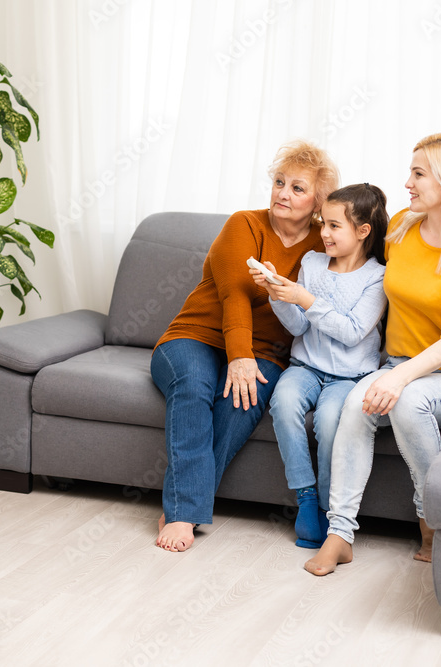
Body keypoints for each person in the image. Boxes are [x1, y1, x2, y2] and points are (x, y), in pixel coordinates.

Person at [305, 132, 441, 576]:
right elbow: (349, 259)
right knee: (356, 406)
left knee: (408, 399)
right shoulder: (400, 229)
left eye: (418, 173)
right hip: (400, 368)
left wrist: (396, 379)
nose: (407, 182)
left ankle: (432, 520)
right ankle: (340, 535)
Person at [152, 140, 340, 552]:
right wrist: (239, 356)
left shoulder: (323, 246)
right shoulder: (243, 224)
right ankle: (184, 512)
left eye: (297, 188)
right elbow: (235, 294)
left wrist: (249, 360)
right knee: (194, 387)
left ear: (318, 203)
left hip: (267, 353)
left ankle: (184, 501)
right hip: (195, 336)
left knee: (240, 402)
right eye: (278, 182)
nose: (282, 194)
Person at [252, 184, 388, 549]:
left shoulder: (377, 277)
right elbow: (298, 325)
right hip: (305, 366)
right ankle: (306, 499)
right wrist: (277, 294)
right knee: (283, 403)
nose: (323, 233)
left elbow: (352, 332)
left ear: (363, 231)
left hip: (350, 375)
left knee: (330, 423)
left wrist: (304, 297)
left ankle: (330, 511)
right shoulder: (311, 263)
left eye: (333, 226)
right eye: (322, 223)